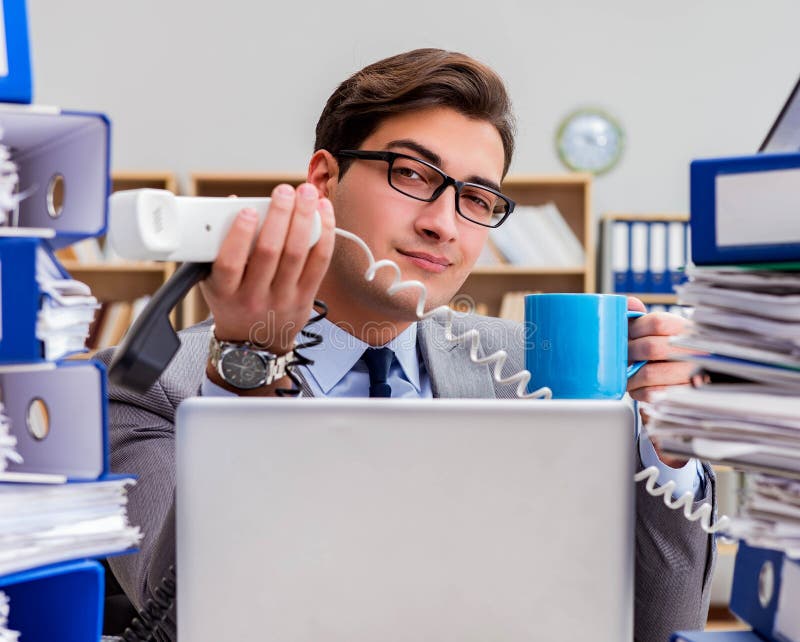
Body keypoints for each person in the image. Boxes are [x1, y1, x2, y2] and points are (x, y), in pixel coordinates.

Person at [101, 48, 716, 641]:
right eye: (413, 174)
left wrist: (669, 457)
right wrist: (251, 368)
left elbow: (663, 629)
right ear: (323, 180)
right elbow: (182, 626)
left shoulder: (533, 371)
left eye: (476, 198)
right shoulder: (150, 387)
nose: (443, 223)